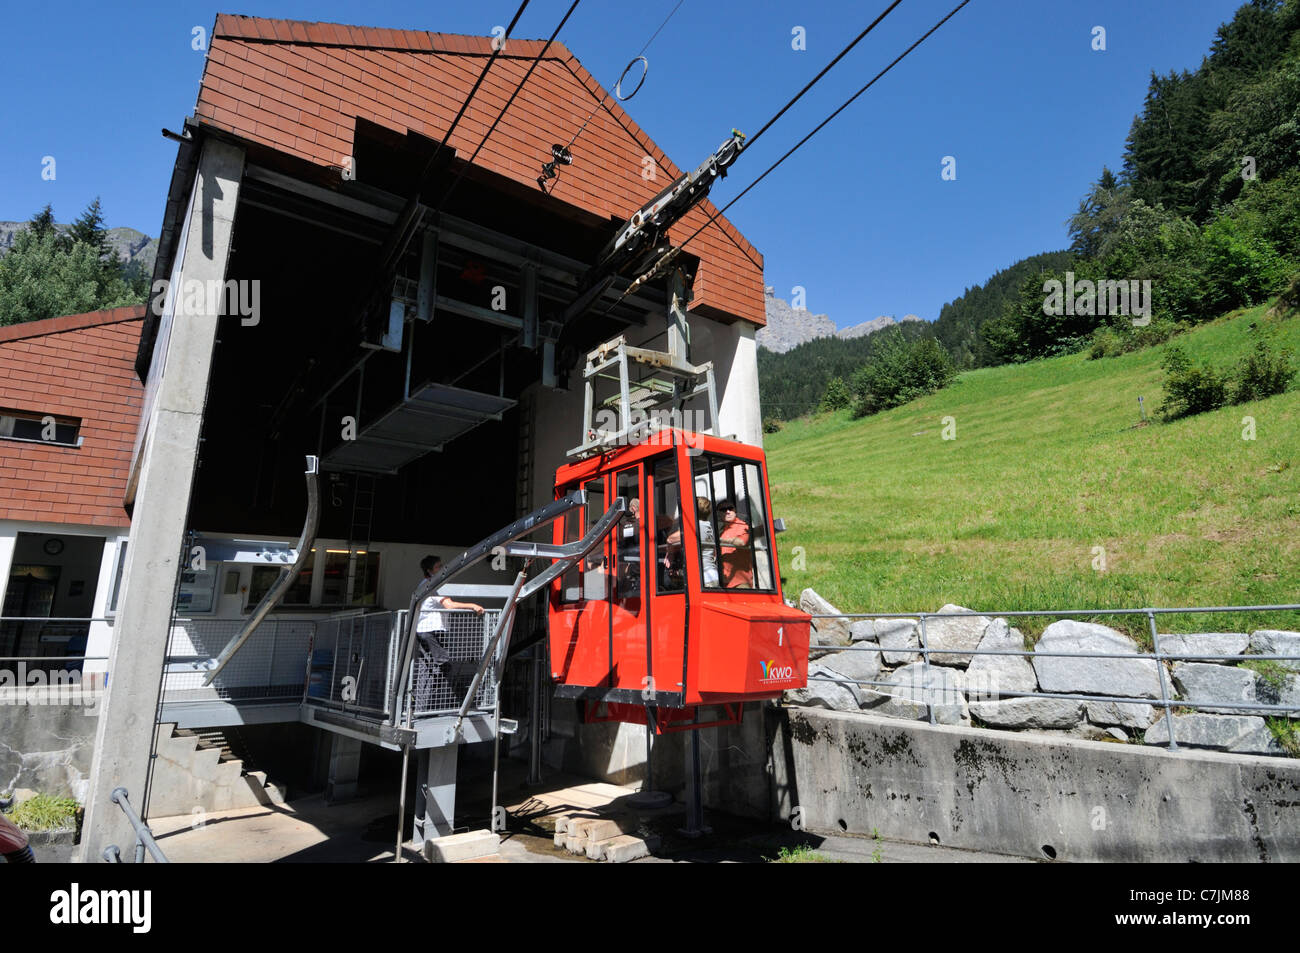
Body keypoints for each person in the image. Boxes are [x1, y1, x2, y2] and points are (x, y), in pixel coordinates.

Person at [412, 555, 484, 711]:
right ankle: (449, 700)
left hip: (426, 631)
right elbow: (449, 605)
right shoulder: (434, 585)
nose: (442, 568)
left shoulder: (426, 584)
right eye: (438, 566)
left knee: (430, 667)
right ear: (430, 571)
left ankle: (424, 705)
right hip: (430, 631)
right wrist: (472, 605)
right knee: (443, 665)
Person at [665, 496, 719, 587]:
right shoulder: (708, 525)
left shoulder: (696, 526)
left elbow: (670, 539)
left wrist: (670, 553)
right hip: (711, 573)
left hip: (703, 576)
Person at [717, 499, 754, 588]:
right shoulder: (722, 530)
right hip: (724, 581)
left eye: (730, 508)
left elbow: (742, 542)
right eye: (723, 510)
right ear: (719, 514)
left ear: (735, 511)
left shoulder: (742, 526)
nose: (728, 512)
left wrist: (723, 540)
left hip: (739, 581)